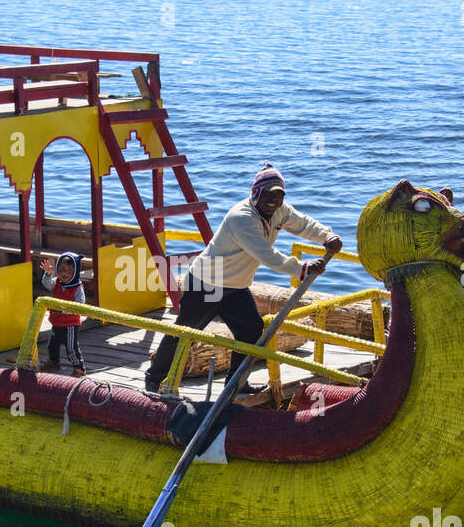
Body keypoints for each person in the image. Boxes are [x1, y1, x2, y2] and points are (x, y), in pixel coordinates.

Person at [145, 162, 341, 394]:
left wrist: (327, 235)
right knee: (186, 332)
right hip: (207, 283)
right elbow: (266, 254)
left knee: (251, 331)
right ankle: (154, 379)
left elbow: (303, 223)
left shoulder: (280, 211)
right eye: (268, 195)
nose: (273, 201)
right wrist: (301, 267)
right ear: (256, 194)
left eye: (279, 196)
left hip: (236, 286)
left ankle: (236, 383)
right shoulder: (242, 218)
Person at [39, 252, 87, 376]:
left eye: (69, 271)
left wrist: (64, 310)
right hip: (56, 322)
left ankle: (79, 368)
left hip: (70, 324)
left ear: (75, 271)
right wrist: (48, 274)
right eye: (61, 270)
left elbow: (80, 305)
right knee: (52, 345)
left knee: (71, 348)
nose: (64, 274)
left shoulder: (77, 288)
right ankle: (53, 362)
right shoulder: (56, 282)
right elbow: (47, 284)